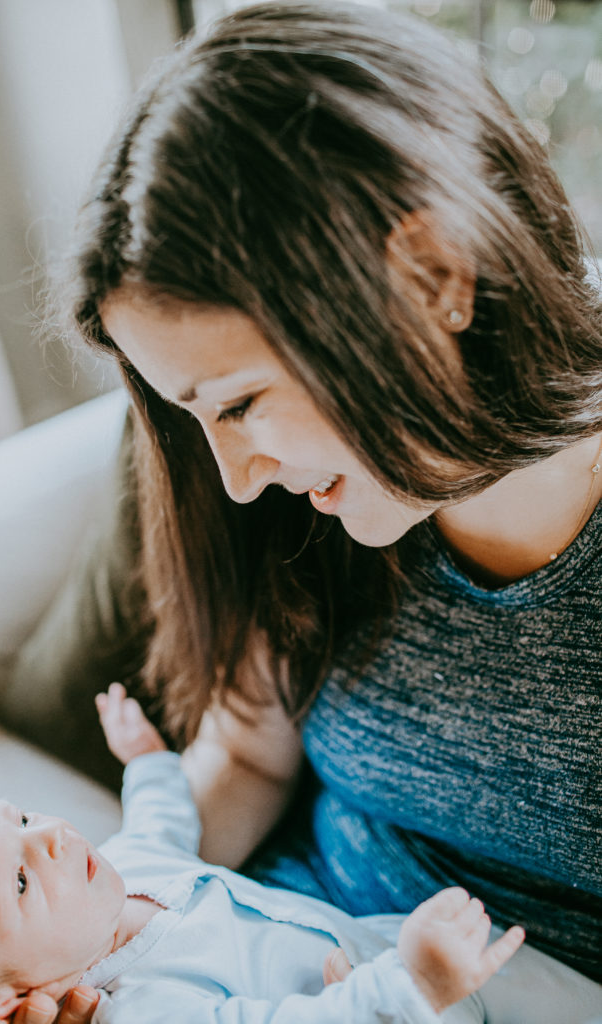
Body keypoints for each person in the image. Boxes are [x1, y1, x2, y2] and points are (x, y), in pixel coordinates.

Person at [31, 1, 601, 1019]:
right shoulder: (308, 504)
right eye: (193, 417)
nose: (237, 479)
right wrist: (78, 947)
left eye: (241, 403)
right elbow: (247, 752)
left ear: (429, 278)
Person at [0, 683, 531, 1024]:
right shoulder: (140, 1011)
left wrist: (149, 763)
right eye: (22, 881)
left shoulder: (120, 874)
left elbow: (158, 826)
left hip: (392, 943)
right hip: (388, 1004)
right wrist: (409, 989)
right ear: (14, 1006)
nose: (49, 836)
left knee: (556, 985)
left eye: (22, 818)